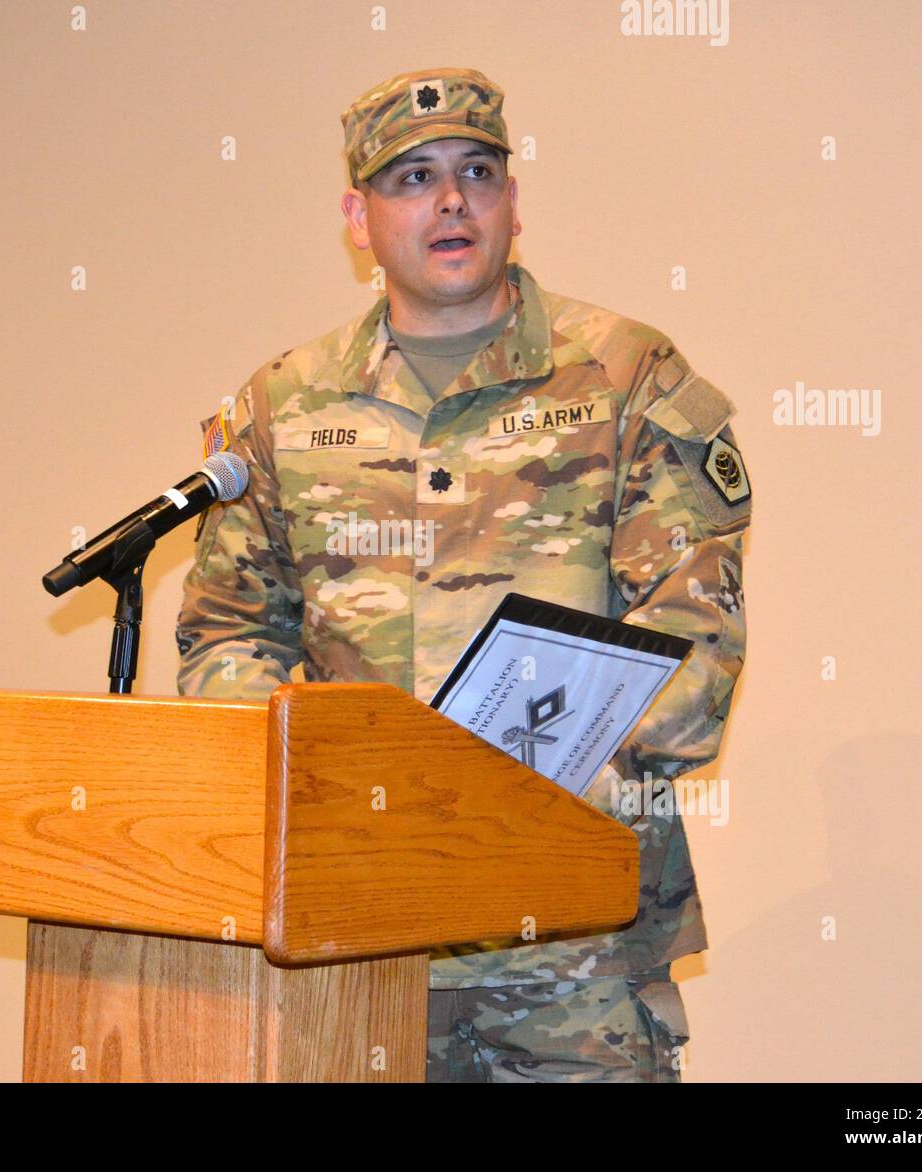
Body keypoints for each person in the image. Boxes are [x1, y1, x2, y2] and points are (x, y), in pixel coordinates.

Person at [175, 67, 751, 1082]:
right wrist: (319, 781)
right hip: (351, 932)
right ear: (358, 217)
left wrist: (546, 765)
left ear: (512, 204)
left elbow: (693, 630)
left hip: (572, 940)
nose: (451, 200)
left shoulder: (623, 375)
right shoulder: (284, 406)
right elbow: (226, 633)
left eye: (478, 171)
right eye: (412, 177)